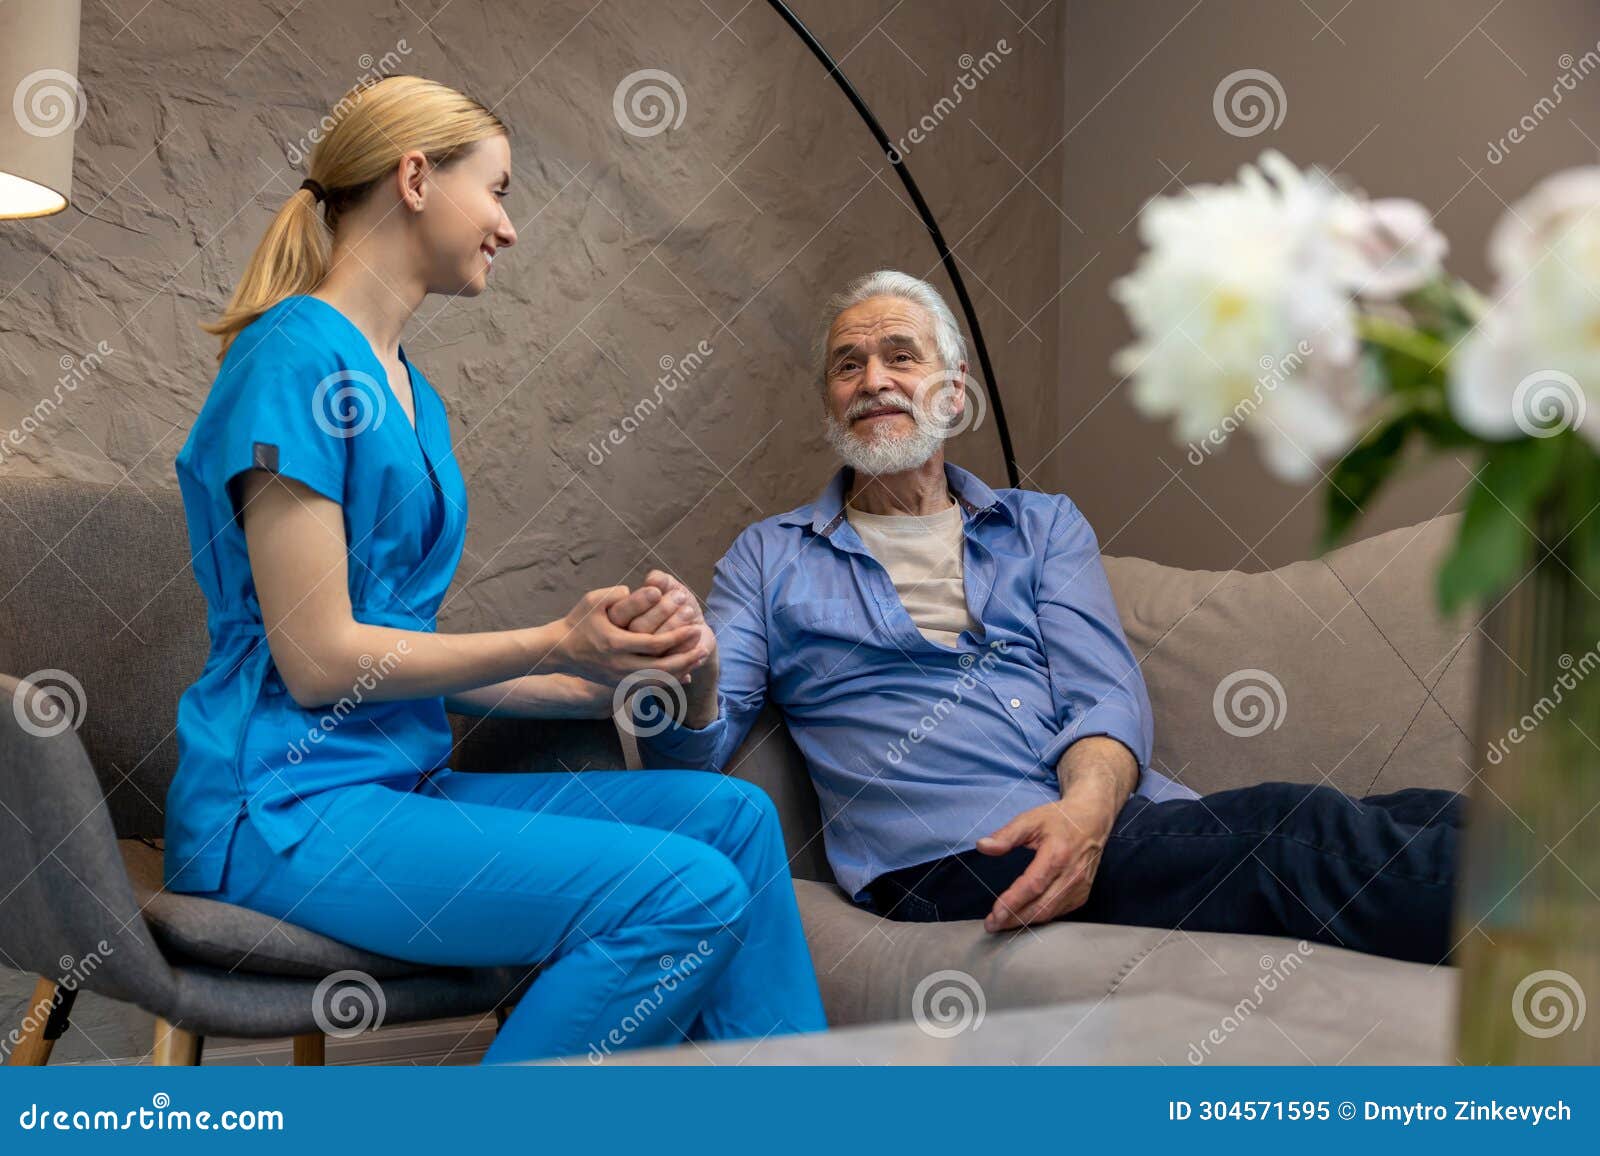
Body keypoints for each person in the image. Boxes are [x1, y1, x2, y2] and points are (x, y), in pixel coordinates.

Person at [164, 75, 825, 1064]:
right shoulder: (291, 360)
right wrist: (553, 635)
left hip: (396, 787)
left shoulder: (409, 392)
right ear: (416, 178)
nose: (508, 229)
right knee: (682, 894)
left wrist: (603, 673)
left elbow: (403, 648)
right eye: (501, 189)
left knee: (732, 818)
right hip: (284, 811)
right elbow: (317, 660)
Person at [631, 269, 1461, 966]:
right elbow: (695, 747)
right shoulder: (769, 557)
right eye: (848, 366)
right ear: (830, 404)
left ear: (953, 395)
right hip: (947, 858)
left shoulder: (1042, 525)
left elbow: (1104, 692)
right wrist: (684, 675)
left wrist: (1087, 814)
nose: (873, 380)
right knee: (1297, 828)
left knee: (1431, 808)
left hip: (1107, 820)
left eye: (900, 356)